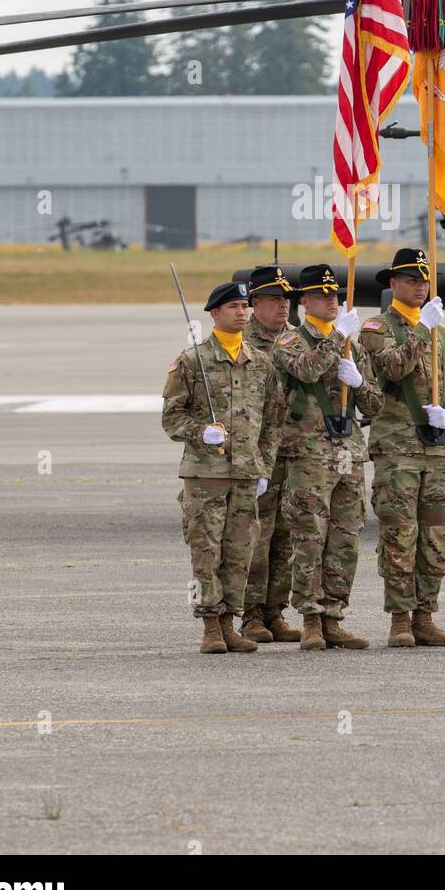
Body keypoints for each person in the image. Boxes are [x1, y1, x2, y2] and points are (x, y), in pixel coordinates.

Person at [162, 281, 284, 655]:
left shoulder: (262, 363)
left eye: (245, 305)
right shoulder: (192, 361)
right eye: (233, 306)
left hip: (246, 475)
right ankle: (210, 626)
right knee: (206, 551)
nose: (243, 312)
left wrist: (262, 467)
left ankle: (231, 621)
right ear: (215, 314)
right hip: (205, 476)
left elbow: (273, 420)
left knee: (240, 552)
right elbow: (171, 417)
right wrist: (200, 433)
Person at [359, 248, 445, 647]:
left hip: (438, 448)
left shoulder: (443, 330)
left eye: (424, 280)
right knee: (399, 535)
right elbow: (391, 368)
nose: (419, 287)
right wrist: (422, 329)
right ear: (393, 284)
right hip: (398, 448)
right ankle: (400, 619)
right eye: (410, 280)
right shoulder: (376, 328)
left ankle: (425, 614)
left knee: (439, 536)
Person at [273, 264, 384, 651]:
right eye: (321, 295)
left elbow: (375, 403)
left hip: (349, 452)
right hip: (309, 453)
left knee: (345, 537)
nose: (331, 300)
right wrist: (338, 337)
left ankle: (334, 616)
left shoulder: (350, 342)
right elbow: (306, 371)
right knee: (309, 536)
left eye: (334, 294)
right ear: (303, 302)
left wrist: (360, 381)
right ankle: (310, 620)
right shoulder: (289, 341)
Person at [241, 265, 301, 643]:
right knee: (255, 538)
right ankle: (249, 614)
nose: (283, 307)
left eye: (287, 300)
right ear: (255, 303)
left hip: (296, 452)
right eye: (275, 300)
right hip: (260, 455)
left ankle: (275, 611)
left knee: (287, 538)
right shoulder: (242, 343)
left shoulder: (298, 340)